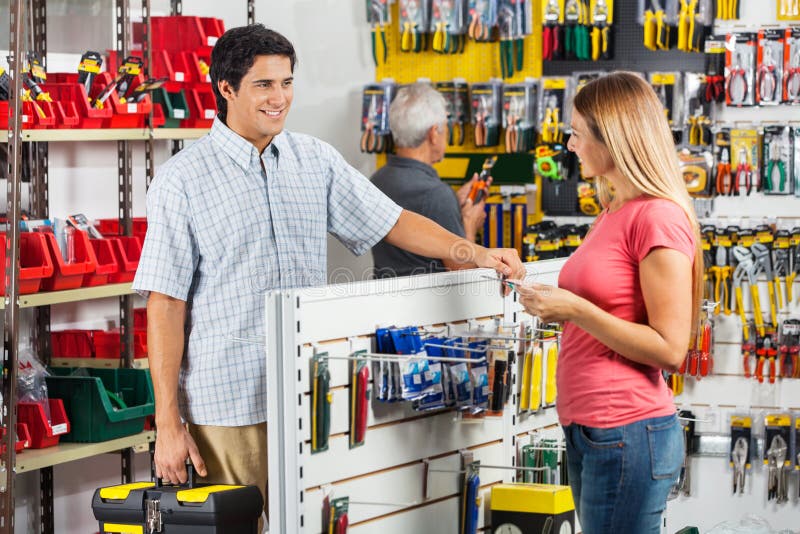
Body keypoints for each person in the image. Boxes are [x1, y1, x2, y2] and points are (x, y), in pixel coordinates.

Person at [131, 24, 524, 529]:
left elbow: (394, 220)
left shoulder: (312, 159)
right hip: (227, 405)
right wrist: (168, 422)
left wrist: (474, 252)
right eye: (264, 85)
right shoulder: (182, 181)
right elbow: (165, 304)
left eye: (287, 83)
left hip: (307, 395)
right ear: (226, 89)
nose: (280, 98)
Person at [513, 72, 703, 533]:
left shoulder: (657, 217)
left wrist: (575, 309)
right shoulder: (615, 210)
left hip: (626, 432)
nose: (570, 145)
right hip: (594, 432)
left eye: (577, 133)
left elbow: (670, 349)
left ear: (613, 138)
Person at [371, 83, 488, 277]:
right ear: (434, 134)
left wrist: (452, 208)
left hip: (383, 300)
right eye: (445, 128)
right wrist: (469, 223)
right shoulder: (436, 195)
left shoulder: (376, 181)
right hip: (427, 303)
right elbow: (464, 274)